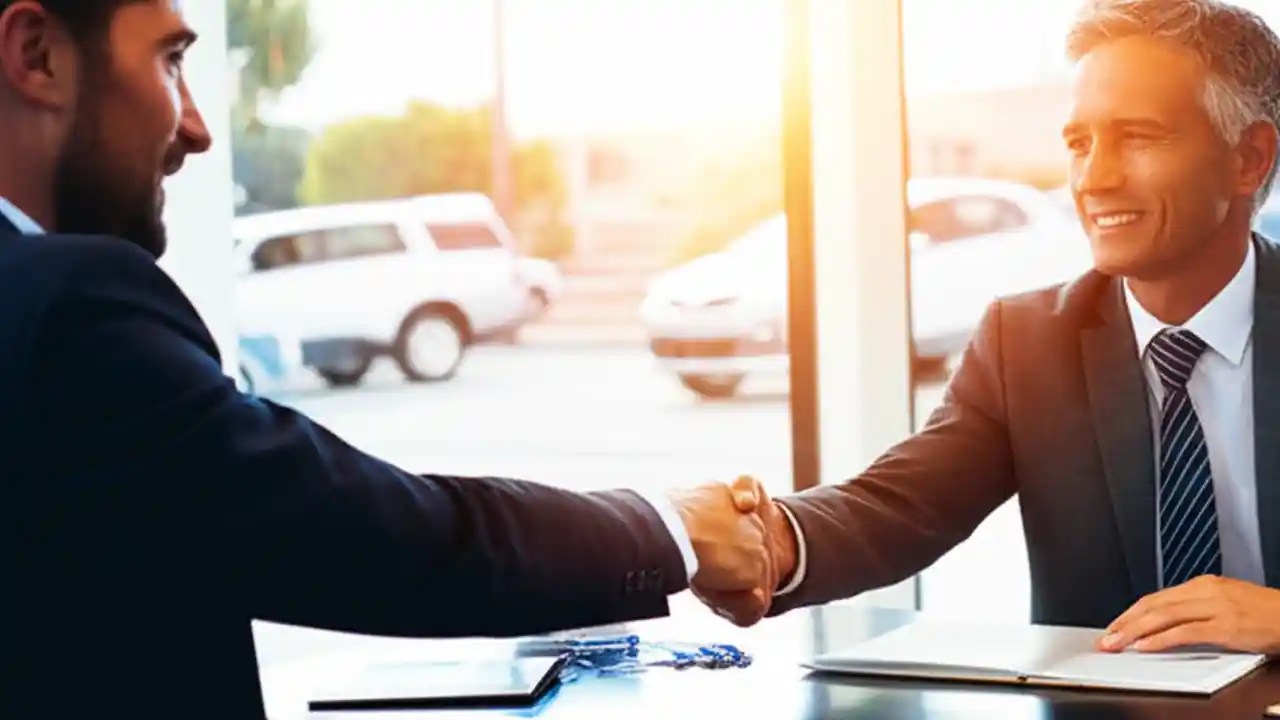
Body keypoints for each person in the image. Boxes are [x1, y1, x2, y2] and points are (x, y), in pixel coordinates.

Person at [0, 2, 772, 717]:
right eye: (170, 60)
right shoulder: (62, 303)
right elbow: (369, 533)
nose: (197, 128)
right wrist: (670, 530)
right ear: (37, 56)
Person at [700, 0, 1280, 656]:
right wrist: (775, 540)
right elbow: (897, 509)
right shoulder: (1027, 343)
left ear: (1249, 159)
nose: (1095, 177)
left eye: (1138, 137)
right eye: (1080, 144)